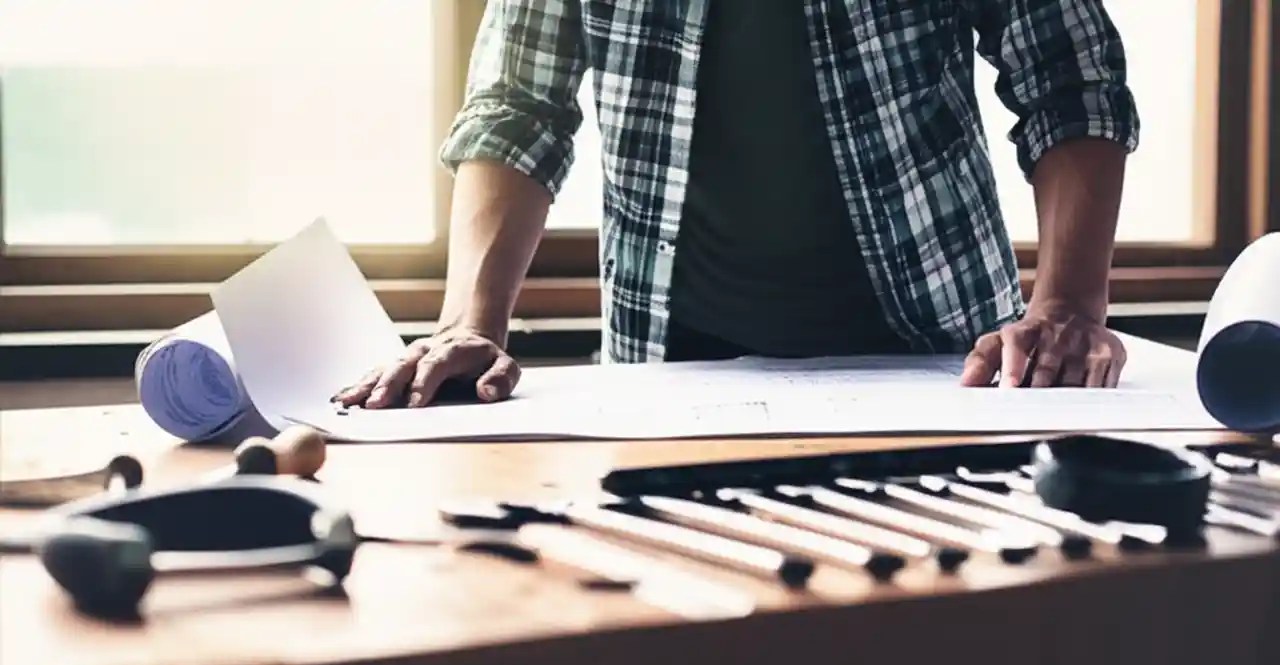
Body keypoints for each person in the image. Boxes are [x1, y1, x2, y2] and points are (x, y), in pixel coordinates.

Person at [334, 0, 1138, 410]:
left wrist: (1067, 303)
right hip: (674, 374)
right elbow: (518, 106)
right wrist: (469, 323)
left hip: (943, 364)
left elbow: (1068, 77)